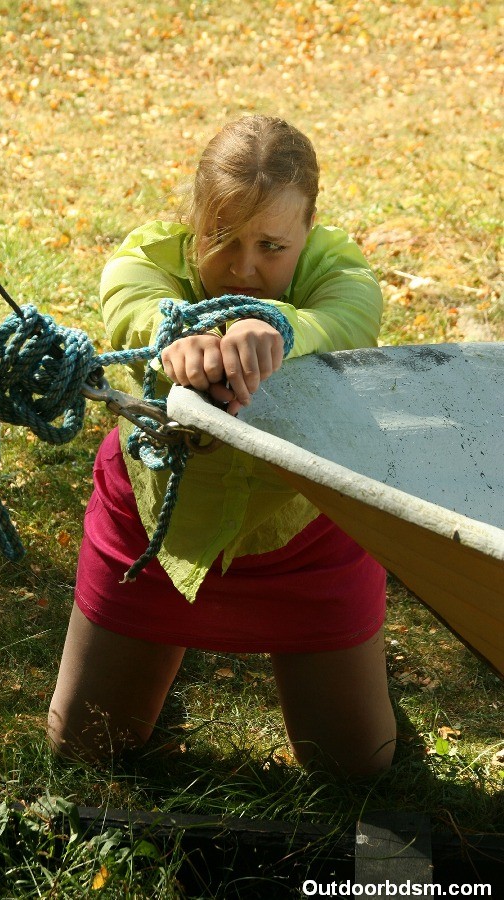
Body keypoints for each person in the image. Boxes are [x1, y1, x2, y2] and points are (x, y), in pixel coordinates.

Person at [48, 116, 396, 776]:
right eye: (221, 238)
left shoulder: (339, 268)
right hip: (157, 529)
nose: (243, 268)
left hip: (306, 534)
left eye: (271, 245)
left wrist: (274, 326)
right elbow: (132, 301)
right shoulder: (148, 257)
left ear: (309, 230)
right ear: (194, 219)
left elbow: (348, 320)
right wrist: (177, 336)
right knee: (81, 752)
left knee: (361, 770)